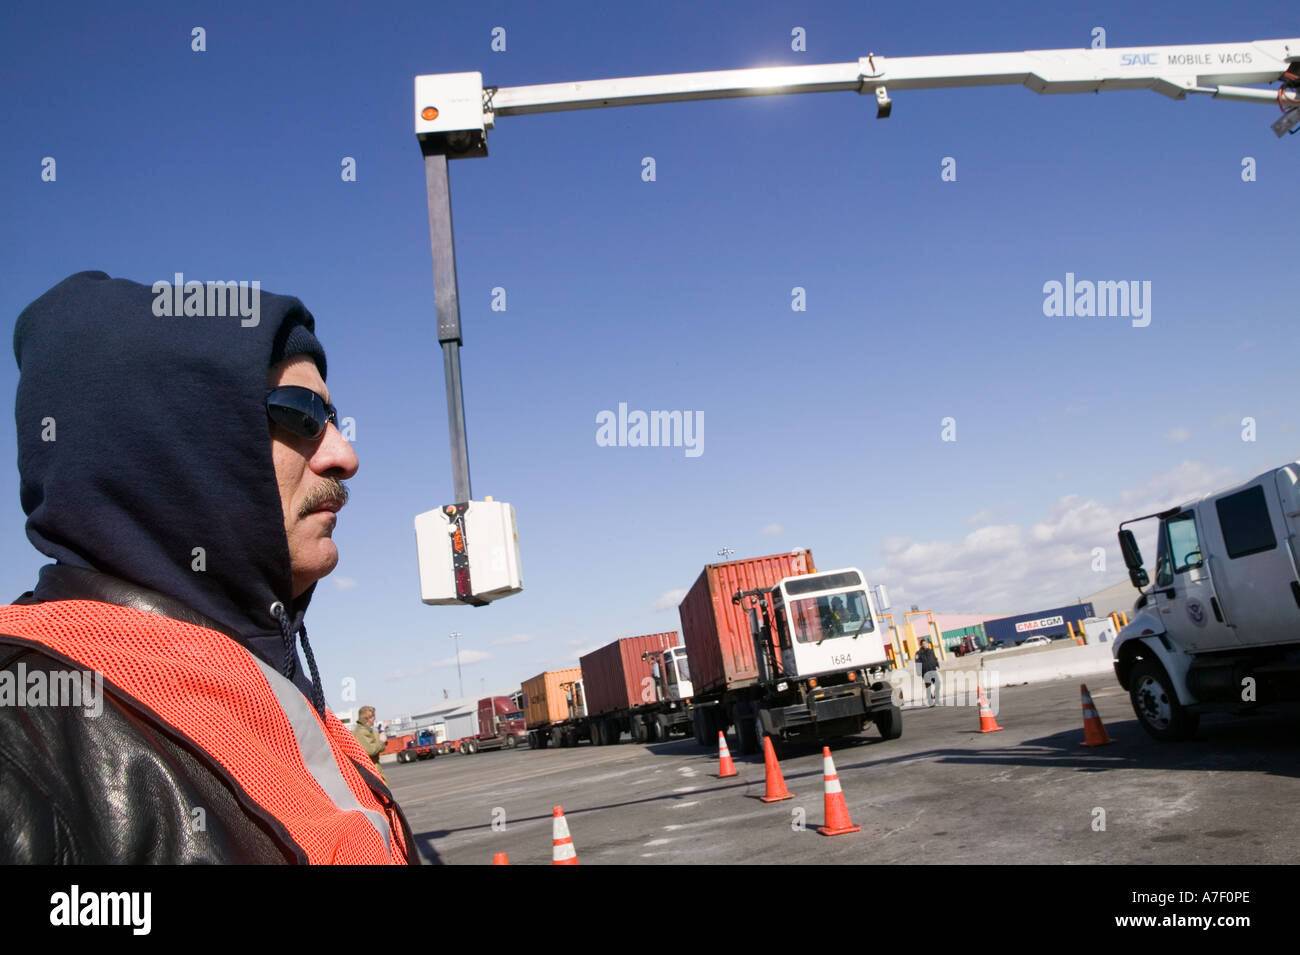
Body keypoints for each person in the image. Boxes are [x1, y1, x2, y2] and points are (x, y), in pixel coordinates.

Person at [0, 271, 416, 864]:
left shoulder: (269, 687)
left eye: (334, 419)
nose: (344, 455)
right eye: (299, 414)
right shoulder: (24, 738)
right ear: (161, 446)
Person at [353, 705, 387, 782]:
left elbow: (375, 736)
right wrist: (382, 742)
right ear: (368, 718)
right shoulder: (361, 732)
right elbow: (371, 750)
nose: (374, 719)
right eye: (373, 717)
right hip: (371, 771)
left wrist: (382, 730)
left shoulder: (366, 730)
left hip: (373, 770)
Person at [916, 639, 941, 707]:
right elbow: (917, 662)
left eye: (926, 643)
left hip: (933, 670)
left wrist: (937, 664)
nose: (925, 645)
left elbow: (934, 658)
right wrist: (919, 672)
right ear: (921, 645)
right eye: (923, 644)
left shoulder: (931, 651)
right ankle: (930, 702)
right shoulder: (918, 653)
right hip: (925, 672)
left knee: (938, 684)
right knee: (928, 687)